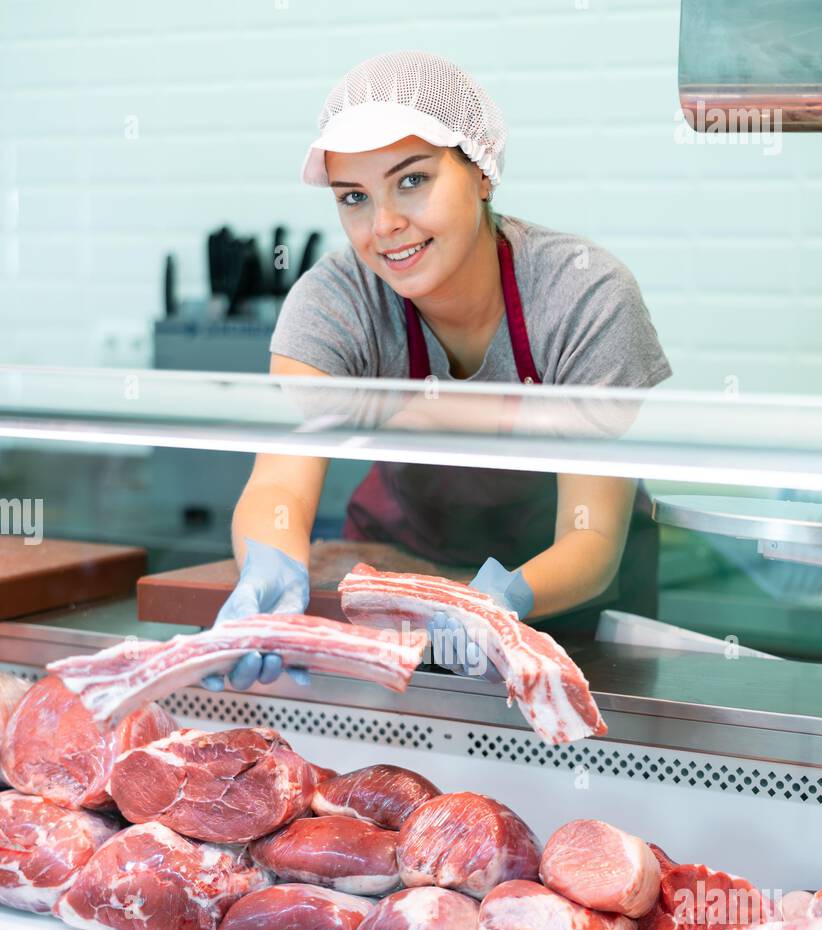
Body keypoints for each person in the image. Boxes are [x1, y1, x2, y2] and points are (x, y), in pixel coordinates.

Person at [203, 49, 672, 693]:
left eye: (413, 180)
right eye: (354, 197)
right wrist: (270, 563)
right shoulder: (336, 302)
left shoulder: (584, 296)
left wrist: (495, 604)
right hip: (396, 602)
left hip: (566, 628)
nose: (384, 224)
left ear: (482, 173)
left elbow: (589, 542)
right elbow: (280, 486)